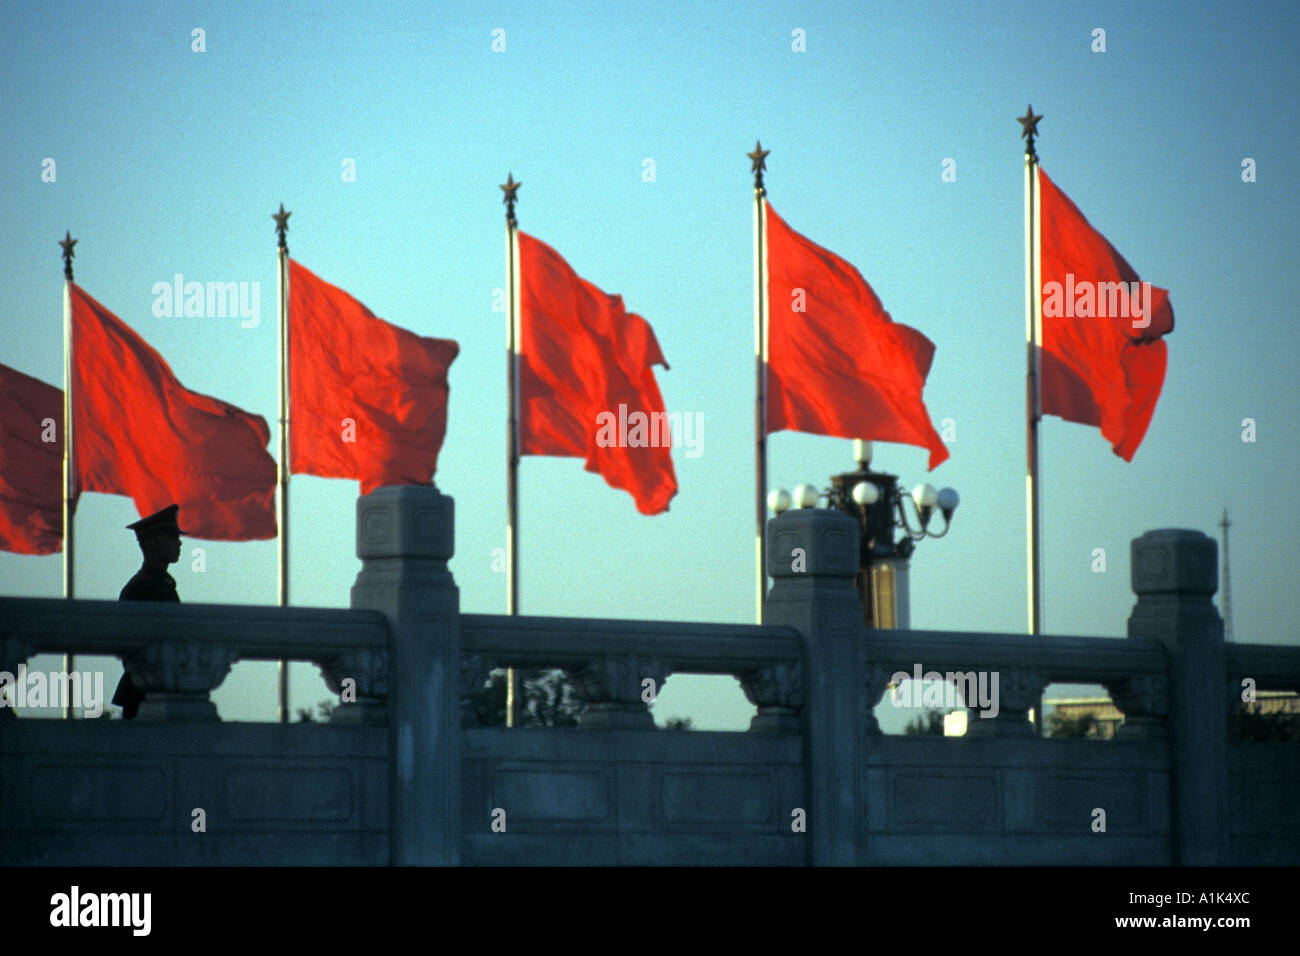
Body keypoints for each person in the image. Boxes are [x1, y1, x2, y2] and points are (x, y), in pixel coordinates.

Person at [112, 504, 185, 719]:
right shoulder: (140, 588)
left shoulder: (161, 584)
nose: (178, 542)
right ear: (150, 542)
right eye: (171, 536)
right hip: (144, 692)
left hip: (164, 689)